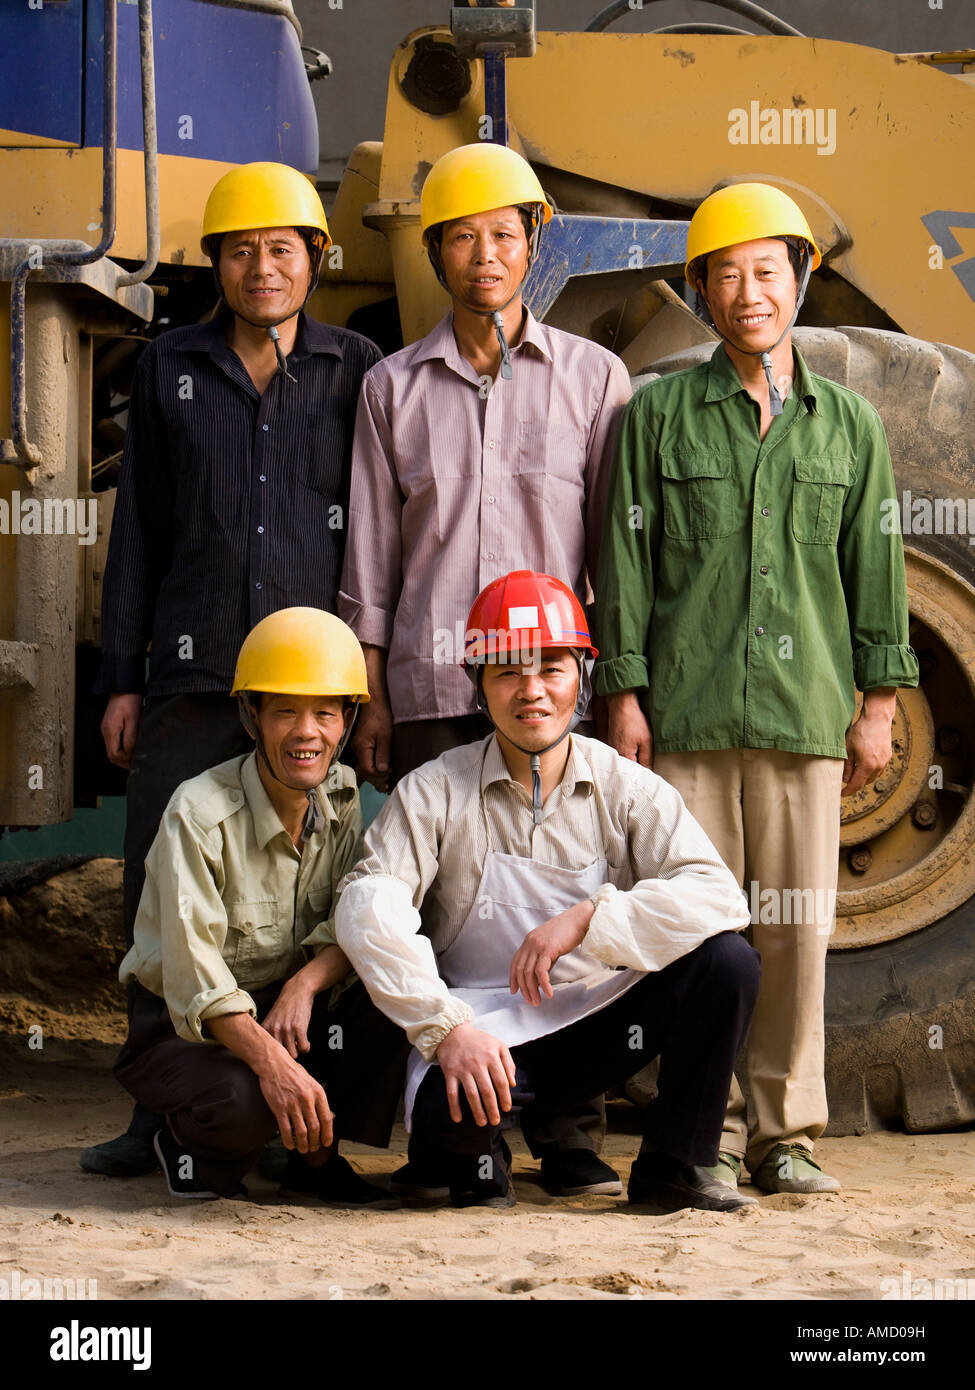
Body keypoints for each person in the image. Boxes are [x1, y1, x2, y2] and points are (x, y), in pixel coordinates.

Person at [595, 182, 919, 1195]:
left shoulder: (850, 427)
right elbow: (624, 563)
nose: (748, 292)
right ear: (699, 290)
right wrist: (625, 692)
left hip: (804, 710)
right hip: (686, 714)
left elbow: (878, 565)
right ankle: (712, 1125)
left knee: (793, 927)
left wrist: (878, 698)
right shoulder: (658, 416)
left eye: (766, 271)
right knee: (700, 930)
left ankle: (787, 1131)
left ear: (801, 281)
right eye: (725, 274)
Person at [338, 143, 632, 1194]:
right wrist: (368, 692)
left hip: (553, 693)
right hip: (429, 684)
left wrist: (620, 688)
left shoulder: (597, 381)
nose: (485, 254)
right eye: (461, 236)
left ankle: (569, 1126)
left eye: (503, 232)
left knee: (563, 894)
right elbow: (370, 557)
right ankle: (460, 1129)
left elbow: (613, 554)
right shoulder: (390, 389)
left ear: (534, 240)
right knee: (440, 916)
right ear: (437, 254)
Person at [82, 162, 383, 1178]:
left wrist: (364, 678)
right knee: (156, 894)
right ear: (215, 261)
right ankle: (155, 1099)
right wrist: (123, 676)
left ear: (315, 260)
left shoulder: (357, 370)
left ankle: (293, 1071)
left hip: (310, 684)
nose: (264, 266)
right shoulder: (170, 366)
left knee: (313, 893)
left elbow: (377, 535)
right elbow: (140, 534)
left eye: (284, 248)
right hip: (192, 669)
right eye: (243, 248)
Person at [333, 571, 760, 1212]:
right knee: (461, 1164)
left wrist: (590, 917)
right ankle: (475, 1152)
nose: (531, 692)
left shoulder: (624, 785)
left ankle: (673, 1166)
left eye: (552, 669)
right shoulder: (433, 789)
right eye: (506, 672)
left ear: (582, 676)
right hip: (476, 1041)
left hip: (589, 1033)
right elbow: (369, 904)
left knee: (728, 961)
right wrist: (444, 1027)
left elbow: (719, 895)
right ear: (478, 685)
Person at [113, 608, 409, 1203]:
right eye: (285, 711)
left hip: (284, 1006)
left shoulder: (343, 797)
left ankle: (312, 1161)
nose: (307, 733)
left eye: (326, 712)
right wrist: (274, 1066)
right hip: (186, 1028)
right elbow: (198, 983)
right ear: (252, 718)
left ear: (348, 720)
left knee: (390, 1008)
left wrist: (303, 986)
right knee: (241, 1104)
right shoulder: (196, 814)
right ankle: (183, 1144)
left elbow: (349, 919)